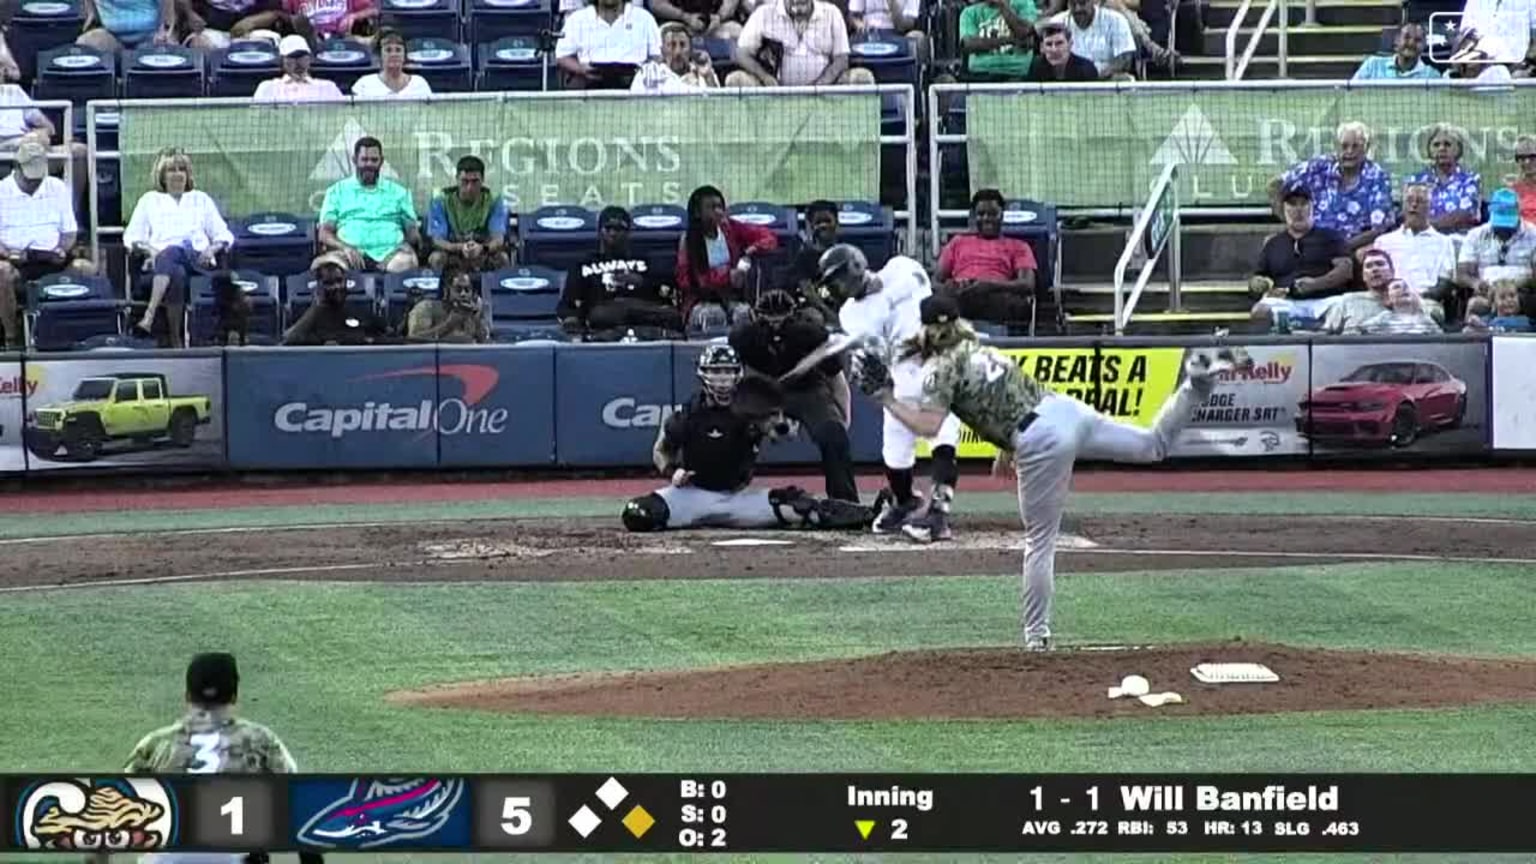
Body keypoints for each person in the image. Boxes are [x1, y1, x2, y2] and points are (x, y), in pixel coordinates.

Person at [849, 293, 1246, 649]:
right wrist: (1007, 446)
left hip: (1041, 440)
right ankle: (1195, 385)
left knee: (1039, 541)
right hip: (1063, 410)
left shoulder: (940, 368)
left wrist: (885, 397)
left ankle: (1036, 637)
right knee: (1152, 446)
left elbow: (928, 426)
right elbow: (996, 395)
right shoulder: (976, 344)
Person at [779, 244, 963, 544]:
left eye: (837, 278)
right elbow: (853, 338)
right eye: (830, 283)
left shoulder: (902, 268)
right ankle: (905, 503)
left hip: (937, 365)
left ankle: (938, 516)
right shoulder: (851, 312)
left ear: (855, 265)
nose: (835, 287)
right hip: (899, 378)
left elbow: (905, 295)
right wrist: (800, 369)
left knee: (942, 439)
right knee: (895, 455)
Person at [621, 344, 876, 532]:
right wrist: (671, 470)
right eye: (716, 371)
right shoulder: (688, 414)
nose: (722, 380)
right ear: (703, 375)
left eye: (727, 372)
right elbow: (660, 449)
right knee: (637, 513)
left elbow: (778, 431)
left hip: (738, 500)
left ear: (737, 375)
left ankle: (869, 514)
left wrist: (782, 426)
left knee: (801, 506)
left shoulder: (752, 411)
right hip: (691, 495)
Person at [114, 652, 313, 864]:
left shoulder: (155, 744)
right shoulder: (260, 741)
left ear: (187, 695)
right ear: (234, 696)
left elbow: (111, 806)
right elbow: (301, 806)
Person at [730, 289, 860, 502]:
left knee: (833, 434)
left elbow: (836, 379)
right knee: (729, 426)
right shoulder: (743, 337)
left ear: (794, 315)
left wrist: (843, 417)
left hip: (806, 389)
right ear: (756, 316)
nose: (775, 324)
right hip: (763, 385)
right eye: (769, 318)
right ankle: (724, 491)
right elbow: (740, 375)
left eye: (781, 317)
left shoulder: (812, 334)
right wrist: (758, 414)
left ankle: (844, 501)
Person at [123, 148, 235, 348]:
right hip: (163, 264)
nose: (177, 174)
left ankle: (149, 316)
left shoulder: (200, 199)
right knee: (176, 272)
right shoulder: (149, 200)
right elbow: (131, 237)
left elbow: (224, 235)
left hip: (198, 261)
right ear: (162, 176)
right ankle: (177, 341)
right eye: (171, 170)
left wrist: (211, 249)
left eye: (181, 169)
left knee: (172, 253)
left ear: (188, 174)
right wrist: (149, 250)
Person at [0, 141, 95, 351]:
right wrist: (8, 253)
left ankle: (81, 335)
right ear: (16, 167)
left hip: (53, 258)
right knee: (2, 272)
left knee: (86, 269)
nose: (34, 182)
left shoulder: (58, 187)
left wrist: (62, 249)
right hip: (16, 261)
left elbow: (69, 232)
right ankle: (11, 337)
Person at [558, 205, 683, 339]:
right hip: (605, 315)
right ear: (599, 231)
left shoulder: (646, 261)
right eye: (608, 228)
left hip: (644, 315)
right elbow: (569, 302)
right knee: (601, 314)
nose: (613, 233)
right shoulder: (584, 264)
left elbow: (668, 291)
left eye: (619, 229)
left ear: (628, 232)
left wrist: (641, 281)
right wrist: (572, 317)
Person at [676, 184, 779, 332]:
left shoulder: (730, 228)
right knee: (712, 316)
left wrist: (752, 249)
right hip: (700, 301)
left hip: (731, 299)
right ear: (698, 213)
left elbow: (769, 237)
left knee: (744, 314)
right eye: (712, 207)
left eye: (720, 207)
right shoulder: (687, 241)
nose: (718, 212)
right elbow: (686, 281)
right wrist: (727, 277)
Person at [317, 136, 421, 273]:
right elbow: (324, 233)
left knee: (408, 261)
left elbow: (412, 232)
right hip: (349, 256)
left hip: (392, 257)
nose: (369, 164)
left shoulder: (399, 193)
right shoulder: (336, 191)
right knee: (325, 265)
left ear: (381, 161)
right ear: (355, 160)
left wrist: (403, 245)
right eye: (364, 160)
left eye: (374, 160)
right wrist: (345, 248)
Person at [426, 155, 511, 273]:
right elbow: (437, 240)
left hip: (483, 253)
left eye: (475, 182)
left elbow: (498, 239)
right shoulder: (440, 201)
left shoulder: (494, 200)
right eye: (465, 182)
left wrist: (482, 248)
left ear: (483, 180)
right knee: (436, 258)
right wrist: (460, 248)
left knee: (502, 259)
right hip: (453, 253)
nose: (469, 188)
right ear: (456, 179)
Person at [283, 253, 388, 345]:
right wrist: (318, 306)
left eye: (339, 281)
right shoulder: (311, 316)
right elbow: (289, 340)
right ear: (319, 286)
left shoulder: (359, 311)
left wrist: (368, 341)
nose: (336, 286)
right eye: (329, 283)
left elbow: (391, 336)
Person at [406, 261, 491, 343]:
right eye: (458, 289)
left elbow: (485, 342)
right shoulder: (425, 308)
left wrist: (477, 319)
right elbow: (413, 340)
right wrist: (449, 325)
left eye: (467, 290)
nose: (463, 294)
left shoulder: (472, 312)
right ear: (446, 291)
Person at [352, 28, 434, 97]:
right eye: (388, 50)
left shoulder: (420, 84)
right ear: (380, 55)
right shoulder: (364, 85)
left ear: (404, 55)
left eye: (398, 50)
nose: (394, 54)